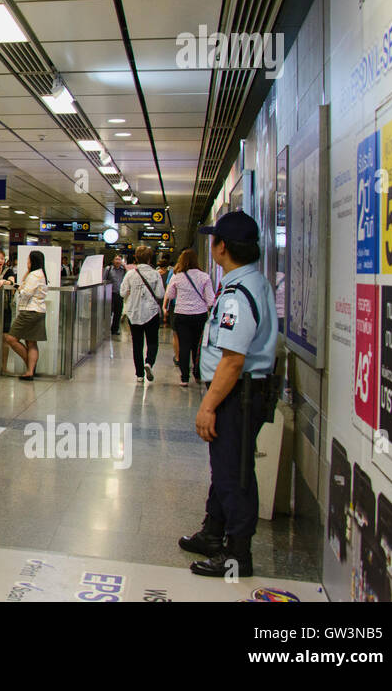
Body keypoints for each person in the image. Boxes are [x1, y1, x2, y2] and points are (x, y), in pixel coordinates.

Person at [182, 211, 278, 578]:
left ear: (222, 247)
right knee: (225, 466)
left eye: (214, 240)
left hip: (237, 394)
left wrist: (208, 406)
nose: (212, 245)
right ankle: (212, 533)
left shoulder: (238, 293)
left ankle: (237, 554)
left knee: (234, 473)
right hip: (242, 393)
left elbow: (233, 360)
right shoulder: (254, 282)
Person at [163, 248, 216, 387]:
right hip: (200, 315)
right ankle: (198, 375)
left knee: (184, 346)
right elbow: (211, 300)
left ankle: (184, 378)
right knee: (197, 346)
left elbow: (170, 295)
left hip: (182, 315)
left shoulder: (176, 277)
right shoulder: (204, 277)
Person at [120, 244, 165, 384]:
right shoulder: (155, 274)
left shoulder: (130, 274)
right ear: (150, 258)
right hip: (151, 312)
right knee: (152, 342)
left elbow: (122, 292)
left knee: (137, 344)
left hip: (134, 313)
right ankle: (149, 363)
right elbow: (160, 294)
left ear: (136, 258)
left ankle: (139, 375)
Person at [4, 251, 49, 381]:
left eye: (28, 260)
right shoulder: (41, 274)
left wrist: (19, 288)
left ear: (32, 261)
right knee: (31, 342)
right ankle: (30, 371)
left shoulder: (34, 275)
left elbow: (26, 293)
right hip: (38, 311)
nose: (27, 263)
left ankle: (30, 364)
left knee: (11, 338)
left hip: (30, 311)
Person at [104, 254, 127, 336]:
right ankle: (106, 329)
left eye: (119, 259)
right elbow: (104, 280)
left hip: (119, 294)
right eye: (116, 259)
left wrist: (126, 267)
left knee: (118, 313)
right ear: (113, 260)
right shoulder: (108, 269)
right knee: (108, 312)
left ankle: (115, 329)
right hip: (110, 294)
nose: (118, 261)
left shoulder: (123, 270)